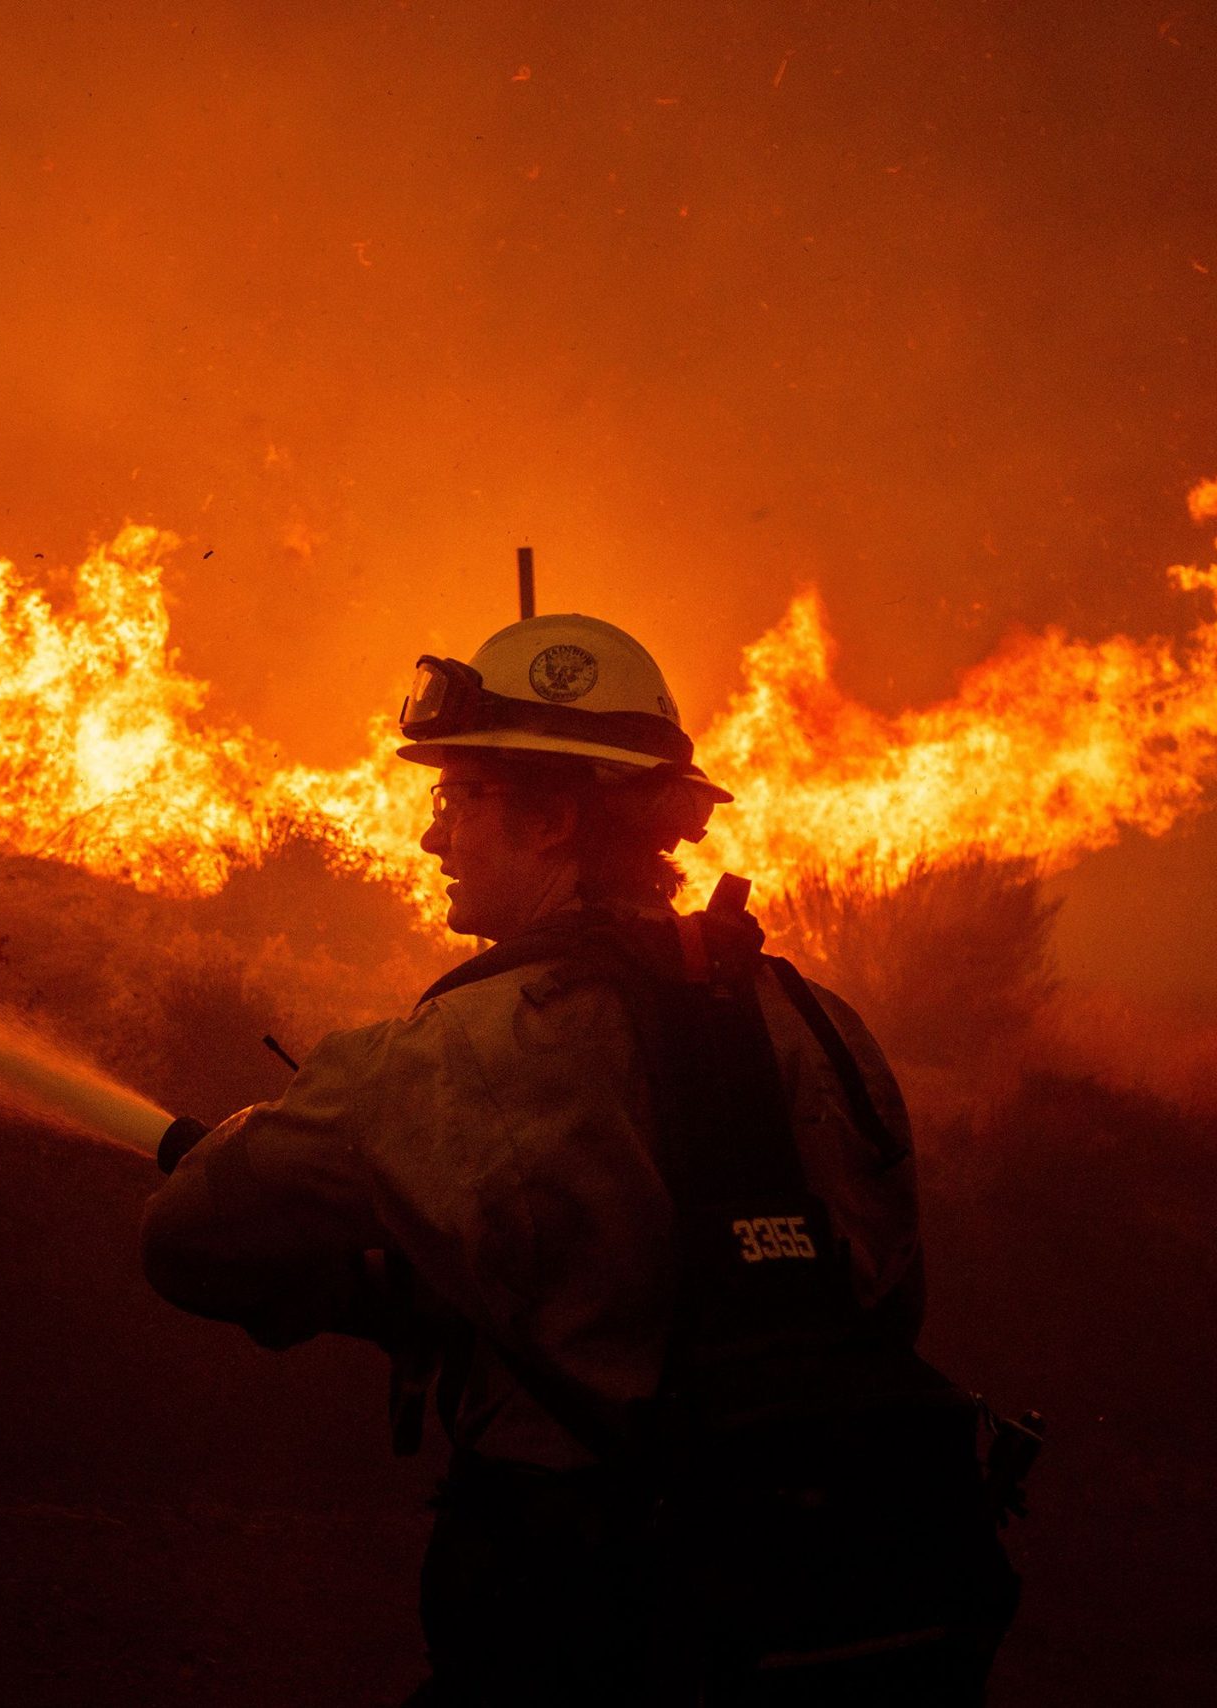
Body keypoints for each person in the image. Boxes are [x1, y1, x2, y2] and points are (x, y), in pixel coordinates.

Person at [142, 613, 1018, 1704]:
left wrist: (382, 1292)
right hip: (861, 1589)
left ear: (554, 818)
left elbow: (184, 1241)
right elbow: (882, 1301)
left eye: (457, 799)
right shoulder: (825, 1026)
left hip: (577, 1608)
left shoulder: (440, 1057)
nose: (433, 839)